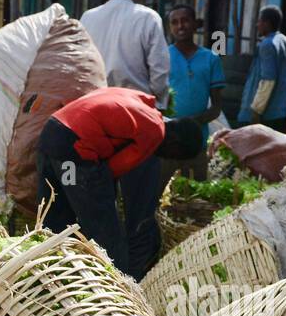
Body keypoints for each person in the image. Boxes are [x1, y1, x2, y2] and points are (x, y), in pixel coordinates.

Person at [36, 87, 204, 279]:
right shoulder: (155, 132)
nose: (166, 158)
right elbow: (109, 173)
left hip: (52, 131)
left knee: (54, 218)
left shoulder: (142, 104)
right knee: (106, 232)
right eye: (174, 156)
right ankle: (118, 285)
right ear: (175, 143)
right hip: (74, 148)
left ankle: (46, 276)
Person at [78, 0, 172, 265]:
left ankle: (97, 264)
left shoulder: (88, 17)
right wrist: (159, 106)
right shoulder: (148, 18)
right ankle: (137, 269)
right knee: (139, 205)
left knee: (96, 200)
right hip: (134, 120)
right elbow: (159, 73)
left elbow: (80, 65)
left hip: (92, 118)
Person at [167, 4, 225, 179]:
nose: (180, 26)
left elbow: (216, 108)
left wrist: (192, 123)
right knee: (163, 192)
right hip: (168, 139)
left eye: (185, 21)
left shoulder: (211, 58)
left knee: (197, 191)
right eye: (174, 22)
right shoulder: (162, 56)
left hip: (197, 140)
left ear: (195, 24)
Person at [238, 6, 286, 133]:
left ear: (267, 23)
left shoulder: (267, 44)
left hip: (268, 113)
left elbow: (268, 80)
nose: (257, 25)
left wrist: (256, 110)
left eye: (259, 21)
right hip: (283, 110)